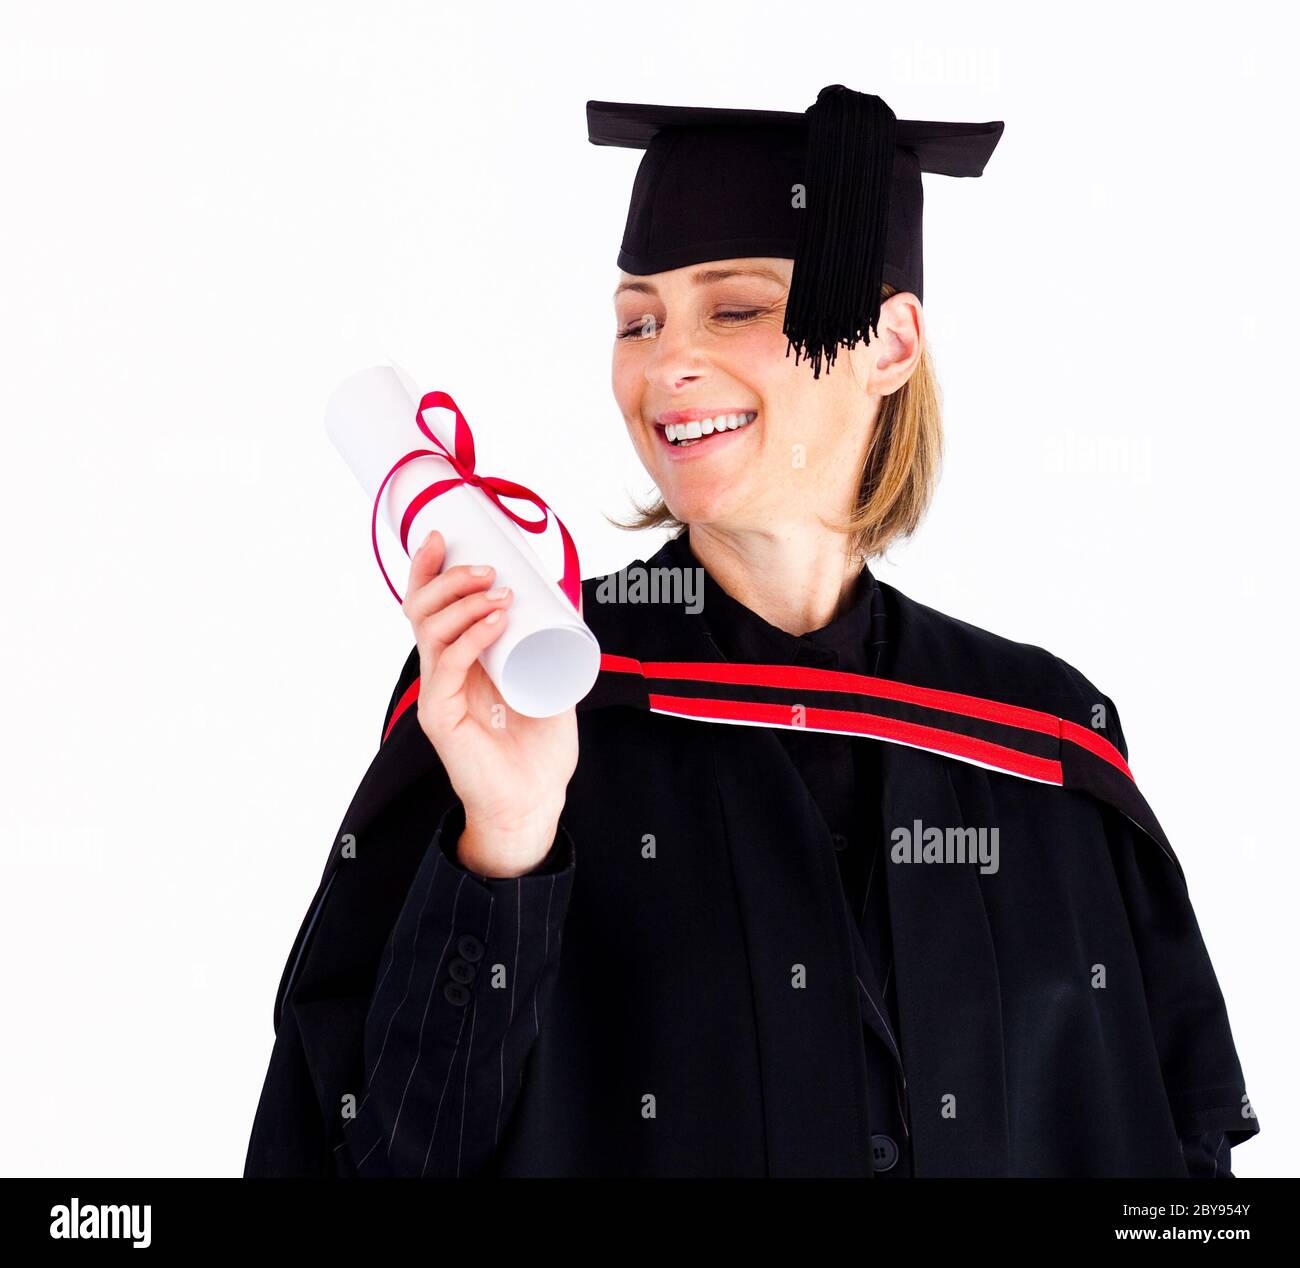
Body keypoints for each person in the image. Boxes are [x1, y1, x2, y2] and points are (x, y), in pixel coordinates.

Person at [244, 85, 1258, 1178]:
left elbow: (1176, 1159)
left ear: (889, 341)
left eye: (731, 309)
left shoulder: (1046, 740)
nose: (663, 363)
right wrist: (506, 842)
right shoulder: (521, 695)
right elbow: (376, 1156)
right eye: (638, 320)